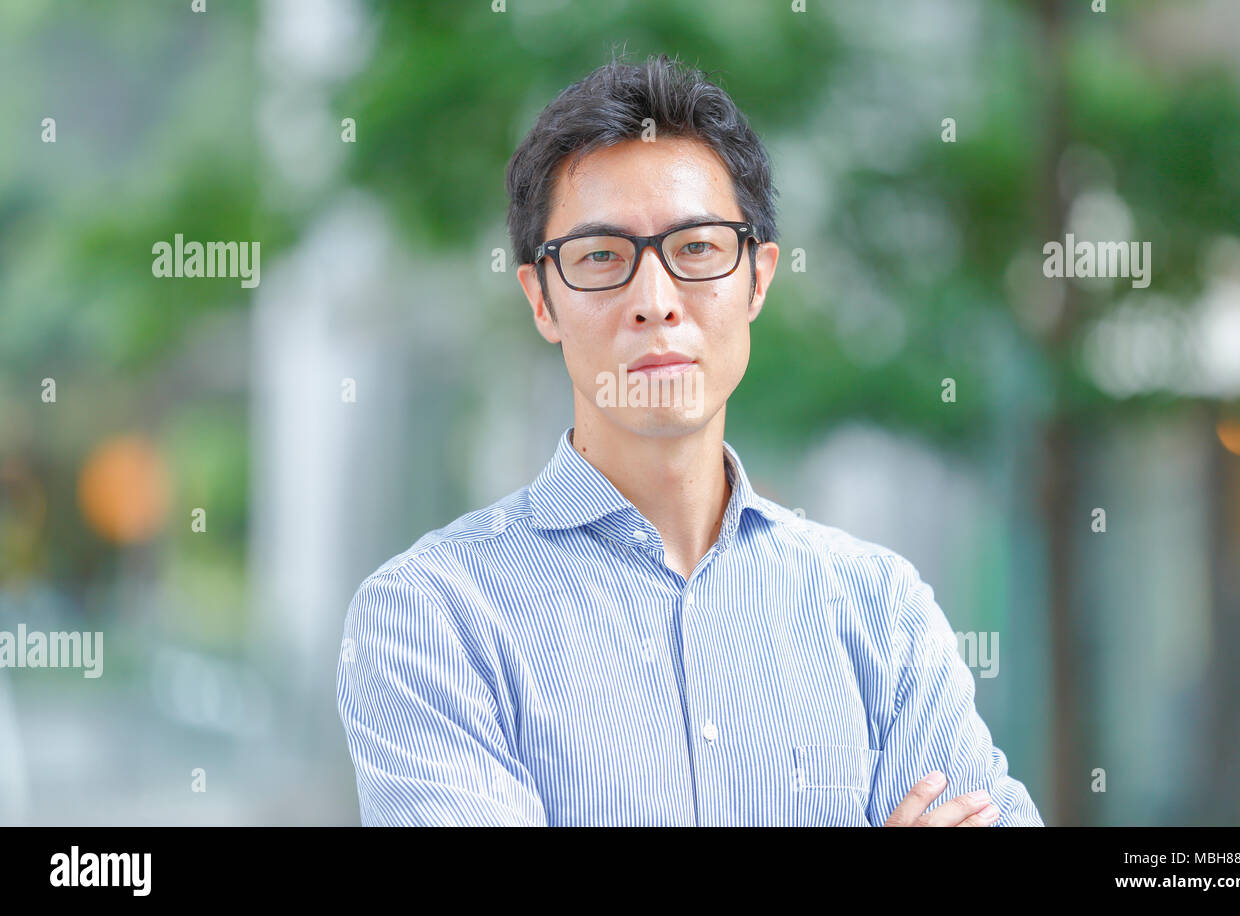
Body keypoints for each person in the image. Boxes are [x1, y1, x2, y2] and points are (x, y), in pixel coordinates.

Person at [336, 52, 1044, 827]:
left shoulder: (880, 612)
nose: (655, 301)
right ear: (541, 299)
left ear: (758, 278)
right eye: (602, 257)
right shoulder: (434, 619)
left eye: (698, 248)